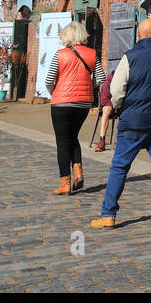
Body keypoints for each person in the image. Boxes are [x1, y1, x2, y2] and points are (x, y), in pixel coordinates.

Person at [90, 17, 151, 229]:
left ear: (138, 34)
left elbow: (116, 90)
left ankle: (108, 214)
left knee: (119, 167)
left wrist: (118, 107)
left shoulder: (130, 57)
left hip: (133, 121)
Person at [46, 21, 105, 195]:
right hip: (83, 103)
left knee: (62, 141)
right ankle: (78, 172)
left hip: (61, 102)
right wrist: (88, 86)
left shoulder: (60, 54)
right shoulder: (93, 54)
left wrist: (54, 92)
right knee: (73, 136)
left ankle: (65, 183)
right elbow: (101, 78)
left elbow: (49, 80)